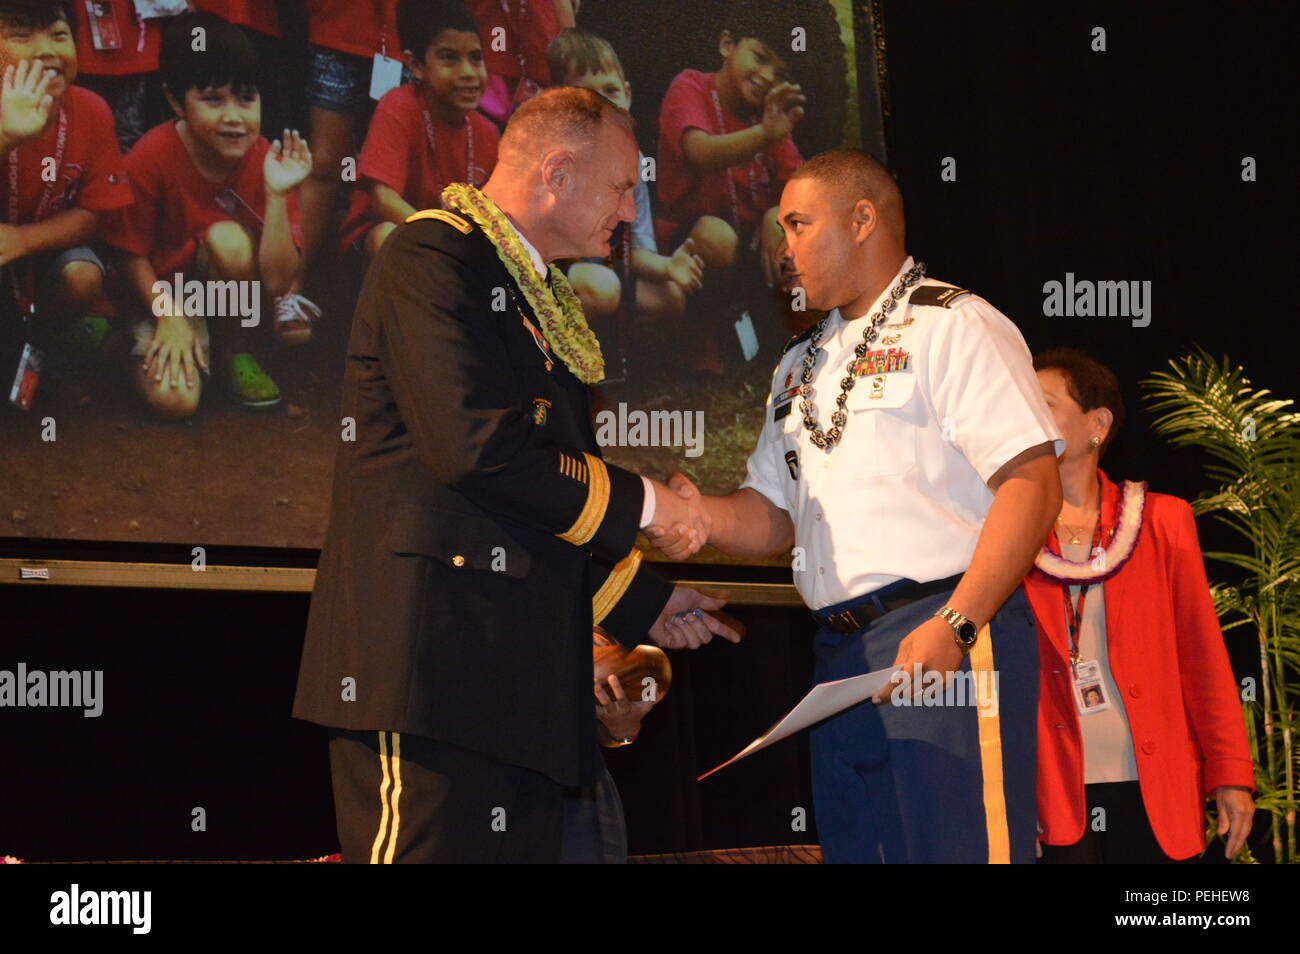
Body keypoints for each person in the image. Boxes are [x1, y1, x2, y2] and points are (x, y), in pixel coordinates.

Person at [292, 86, 738, 864]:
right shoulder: (433, 254)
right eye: (622, 186)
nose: (632, 211)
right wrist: (649, 503)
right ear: (557, 171)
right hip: (427, 673)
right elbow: (478, 450)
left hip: (514, 685)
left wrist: (641, 604)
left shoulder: (532, 288)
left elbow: (528, 502)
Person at [647, 148, 1065, 863]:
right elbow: (776, 516)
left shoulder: (954, 325)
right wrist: (700, 516)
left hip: (943, 632)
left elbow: (1033, 483)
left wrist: (958, 622)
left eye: (800, 224)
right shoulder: (799, 362)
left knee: (960, 850)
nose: (784, 249)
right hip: (839, 658)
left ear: (863, 220)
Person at [1027, 347, 1255, 863]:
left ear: (1097, 424)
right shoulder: (1002, 530)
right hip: (1048, 792)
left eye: (1044, 403)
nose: (1025, 416)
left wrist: (1230, 773)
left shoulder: (1162, 520)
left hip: (1155, 788)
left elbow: (1203, 659)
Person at [101, 12, 315, 418]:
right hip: (157, 293)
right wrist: (170, 317)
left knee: (228, 239)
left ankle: (235, 352)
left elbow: (277, 279)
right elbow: (130, 253)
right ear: (175, 101)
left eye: (246, 99)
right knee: (175, 402)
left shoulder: (268, 160)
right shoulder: (150, 155)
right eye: (213, 100)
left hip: (224, 298)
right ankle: (121, 348)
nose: (233, 117)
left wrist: (275, 195)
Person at [653, 0, 805, 371]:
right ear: (726, 46)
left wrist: (778, 214)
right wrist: (764, 135)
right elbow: (700, 153)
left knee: (789, 223)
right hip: (692, 255)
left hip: (750, 259)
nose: (768, 75)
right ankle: (697, 335)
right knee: (717, 236)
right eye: (760, 57)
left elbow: (801, 187)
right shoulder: (690, 86)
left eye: (779, 70)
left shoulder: (768, 117)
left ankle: (785, 335)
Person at [0, 0, 132, 379]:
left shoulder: (92, 110)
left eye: (59, 34)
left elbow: (95, 214)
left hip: (42, 248)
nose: (46, 50)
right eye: (21, 35)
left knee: (82, 274)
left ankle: (40, 349)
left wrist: (23, 239)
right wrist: (5, 138)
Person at [545, 27, 703, 326]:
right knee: (602, 288)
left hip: (607, 274)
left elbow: (637, 250)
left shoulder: (635, 162)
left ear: (628, 95)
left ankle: (615, 347)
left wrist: (669, 267)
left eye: (611, 91)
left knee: (670, 297)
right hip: (552, 275)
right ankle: (550, 354)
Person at [339, 0, 499, 267]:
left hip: (456, 257)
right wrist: (444, 244)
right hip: (386, 247)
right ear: (416, 65)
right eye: (449, 58)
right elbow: (383, 200)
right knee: (389, 236)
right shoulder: (398, 106)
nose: (468, 73)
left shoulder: (488, 131)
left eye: (475, 58)